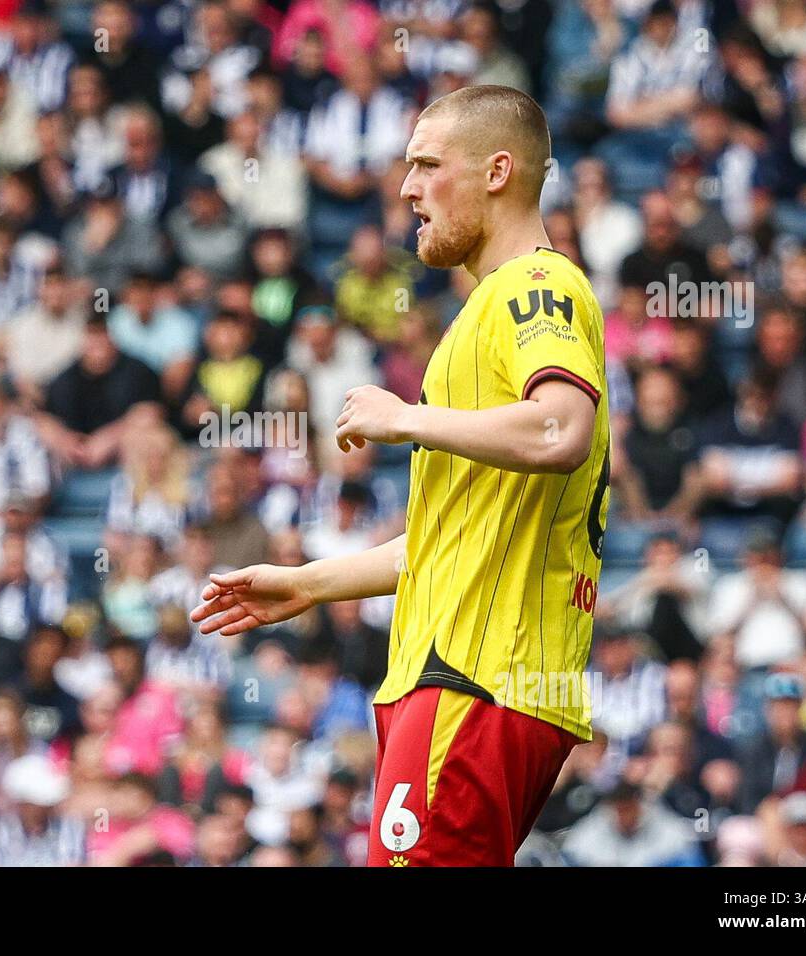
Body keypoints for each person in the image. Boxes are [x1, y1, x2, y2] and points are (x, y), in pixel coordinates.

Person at [193, 86, 610, 866]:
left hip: (473, 678)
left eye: (426, 165)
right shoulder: (485, 312)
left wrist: (406, 420)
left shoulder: (535, 288)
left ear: (497, 172)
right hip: (474, 676)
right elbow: (452, 537)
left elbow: (562, 428)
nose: (407, 188)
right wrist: (310, 584)